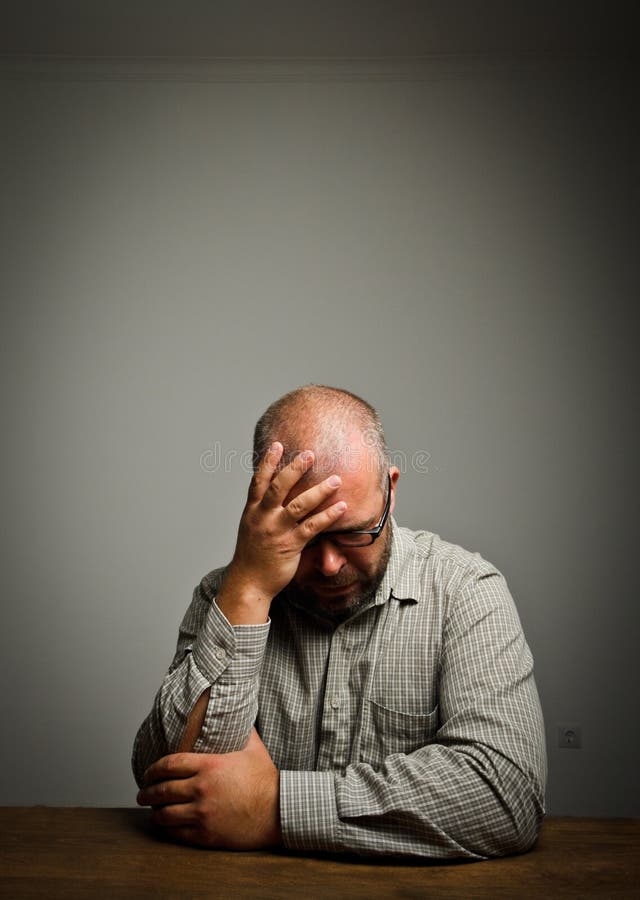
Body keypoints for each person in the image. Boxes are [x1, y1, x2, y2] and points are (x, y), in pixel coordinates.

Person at [132, 385, 546, 859]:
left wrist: (274, 808)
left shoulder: (466, 591)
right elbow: (171, 778)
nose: (329, 565)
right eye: (302, 536)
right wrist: (248, 588)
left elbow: (505, 794)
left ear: (391, 489)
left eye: (353, 534)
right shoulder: (225, 594)